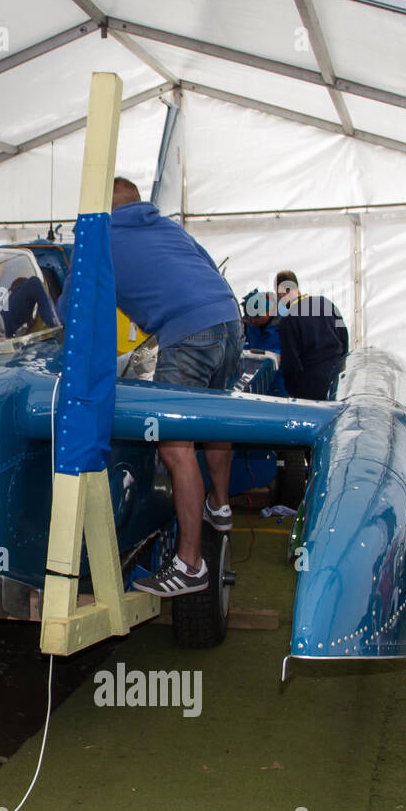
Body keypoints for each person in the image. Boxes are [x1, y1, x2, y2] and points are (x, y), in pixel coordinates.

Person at [109, 178, 242, 597]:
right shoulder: (168, 227)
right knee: (214, 423)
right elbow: (206, 268)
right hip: (229, 321)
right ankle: (220, 506)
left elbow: (70, 309)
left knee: (174, 447)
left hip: (187, 334)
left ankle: (190, 565)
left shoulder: (98, 237)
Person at [275, 270, 350, 400]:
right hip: (337, 374)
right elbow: (343, 334)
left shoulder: (288, 319)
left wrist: (292, 389)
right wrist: (343, 362)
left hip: (311, 382)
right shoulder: (325, 303)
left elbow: (290, 361)